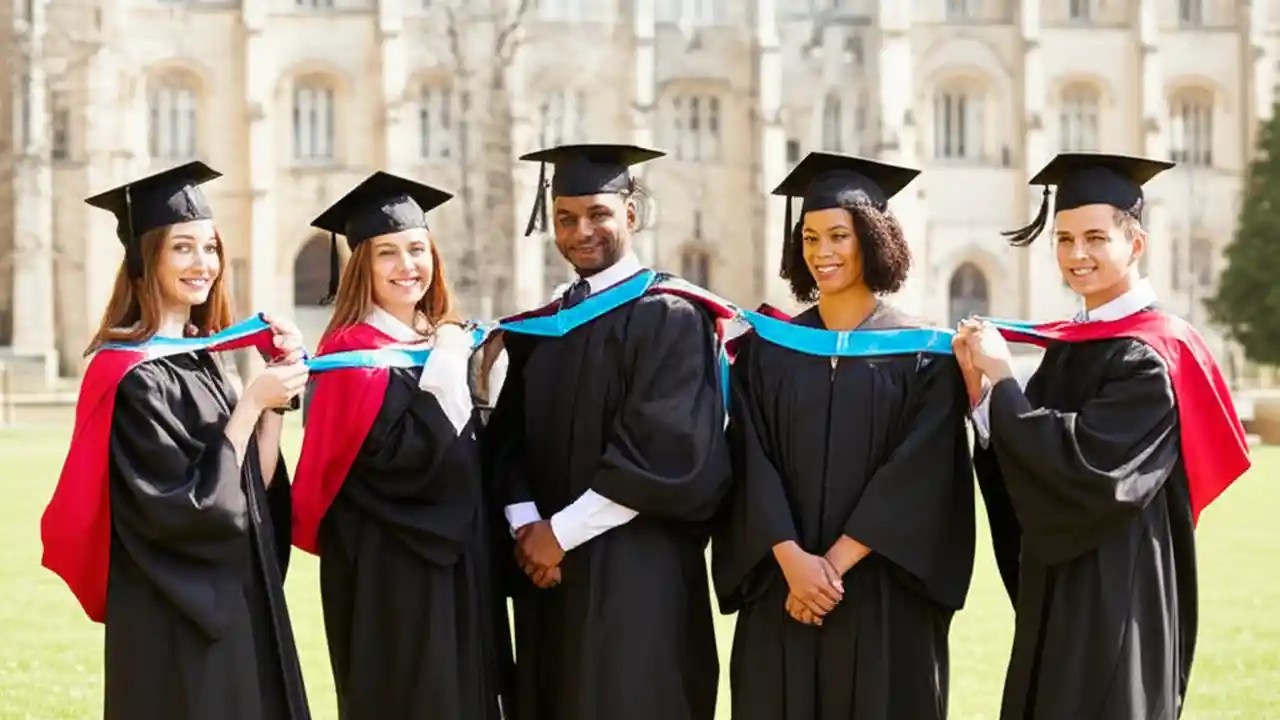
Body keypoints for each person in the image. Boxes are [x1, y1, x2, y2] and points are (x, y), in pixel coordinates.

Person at [956, 152, 1251, 719]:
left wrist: (1003, 380)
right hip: (1060, 584)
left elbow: (1087, 470)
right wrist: (983, 396)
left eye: (1094, 237)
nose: (1077, 255)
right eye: (1064, 240)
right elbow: (1027, 459)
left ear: (1135, 244)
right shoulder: (1074, 345)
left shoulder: (1149, 355)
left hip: (1122, 590)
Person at [40, 161, 312, 719]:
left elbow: (248, 493)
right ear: (146, 258)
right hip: (174, 611)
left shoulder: (203, 356)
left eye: (210, 247)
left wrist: (274, 402)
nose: (203, 263)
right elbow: (185, 509)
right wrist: (249, 404)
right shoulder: (129, 374)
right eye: (183, 247)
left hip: (232, 591)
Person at [711, 152, 975, 719]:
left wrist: (827, 569)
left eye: (839, 235)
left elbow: (920, 476)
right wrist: (792, 561)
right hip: (782, 590)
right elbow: (748, 461)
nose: (822, 252)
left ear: (873, 241)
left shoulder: (925, 355)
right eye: (810, 237)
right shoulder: (767, 350)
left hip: (880, 596)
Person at [483, 143, 733, 720]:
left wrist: (558, 535)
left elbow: (664, 452)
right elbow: (509, 439)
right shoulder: (545, 325)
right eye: (565, 218)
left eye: (598, 213)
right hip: (551, 581)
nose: (581, 232)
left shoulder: (669, 314)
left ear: (631, 214)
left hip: (638, 577)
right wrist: (527, 529)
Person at [290, 171, 512, 720]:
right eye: (387, 253)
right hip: (391, 577)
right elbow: (388, 466)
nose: (406, 266)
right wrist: (445, 371)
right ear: (361, 264)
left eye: (417, 249)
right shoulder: (350, 355)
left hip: (462, 564)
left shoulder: (442, 339)